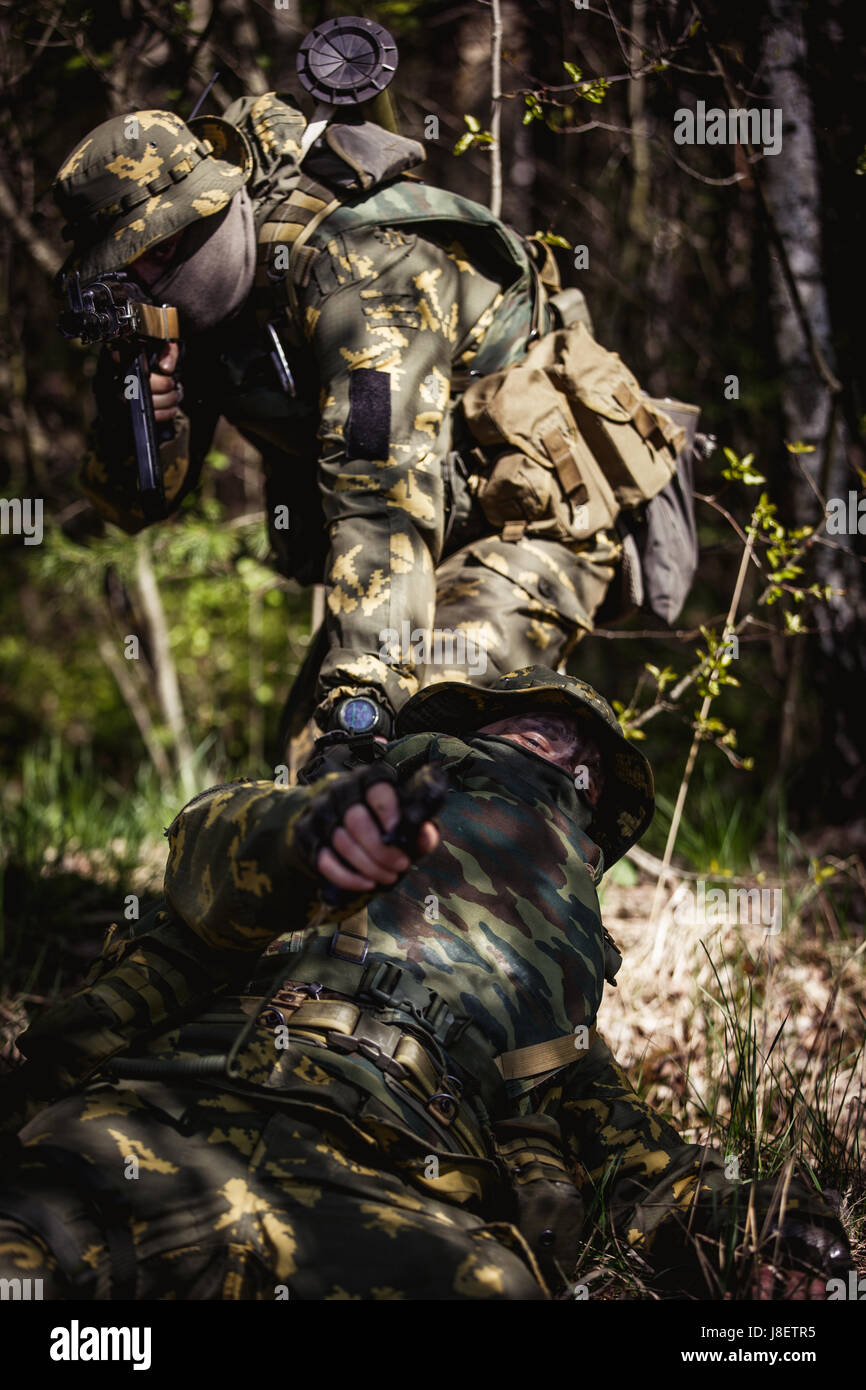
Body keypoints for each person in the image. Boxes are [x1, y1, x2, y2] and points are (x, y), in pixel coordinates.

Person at [0, 666, 850, 1300]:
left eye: (585, 772)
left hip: (392, 1197)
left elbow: (641, 1156)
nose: (570, 759)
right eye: (541, 732)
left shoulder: (554, 1029)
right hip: (156, 1124)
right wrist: (316, 836)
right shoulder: (317, 820)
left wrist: (766, 1230)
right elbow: (208, 846)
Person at [51, 89, 629, 742]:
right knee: (301, 792)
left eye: (153, 252)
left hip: (526, 525)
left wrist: (364, 691)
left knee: (424, 743)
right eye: (122, 268)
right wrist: (147, 413)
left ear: (208, 209)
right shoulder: (175, 308)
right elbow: (129, 507)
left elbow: (380, 490)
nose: (144, 284)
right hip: (408, 549)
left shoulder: (357, 263)